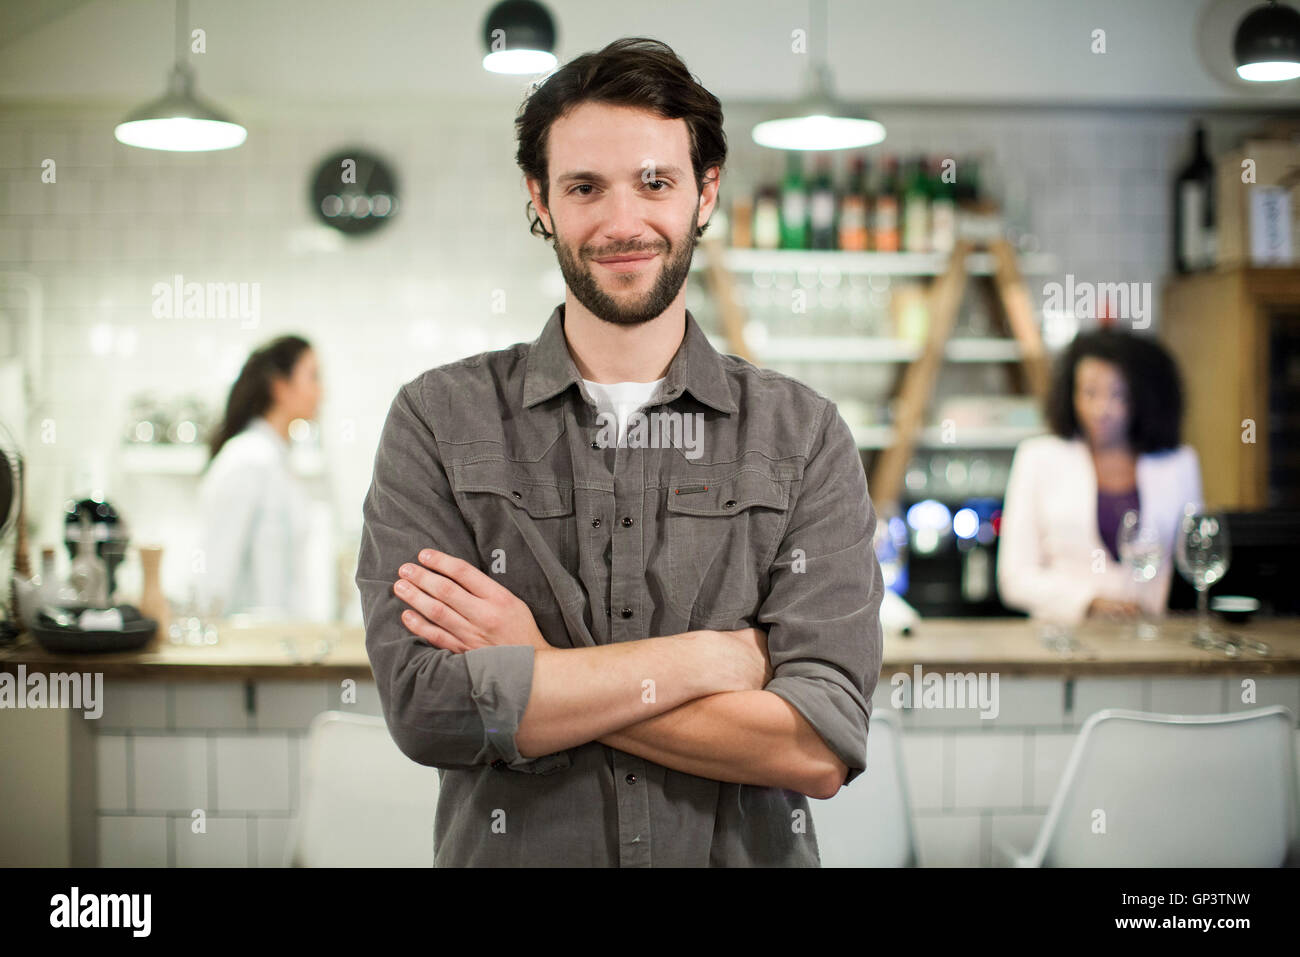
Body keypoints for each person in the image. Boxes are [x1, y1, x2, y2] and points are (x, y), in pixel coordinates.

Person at [355, 38, 883, 867]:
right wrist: (708, 661)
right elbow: (430, 711)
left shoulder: (805, 435)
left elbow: (813, 748)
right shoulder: (438, 419)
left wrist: (539, 668)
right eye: (584, 187)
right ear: (541, 200)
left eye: (655, 182)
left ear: (705, 194)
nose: (622, 221)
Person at [997, 327, 1202, 624]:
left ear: (1144, 398)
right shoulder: (1038, 458)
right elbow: (1014, 578)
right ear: (1071, 393)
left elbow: (1193, 565)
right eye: (1089, 392)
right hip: (1062, 641)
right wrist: (1088, 601)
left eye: (1118, 394)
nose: (1101, 408)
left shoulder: (1178, 463)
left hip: (1156, 639)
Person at [196, 335, 321, 620]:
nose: (322, 391)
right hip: (247, 649)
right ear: (280, 387)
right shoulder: (247, 459)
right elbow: (216, 570)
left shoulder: (277, 460)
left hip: (277, 645)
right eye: (313, 377)